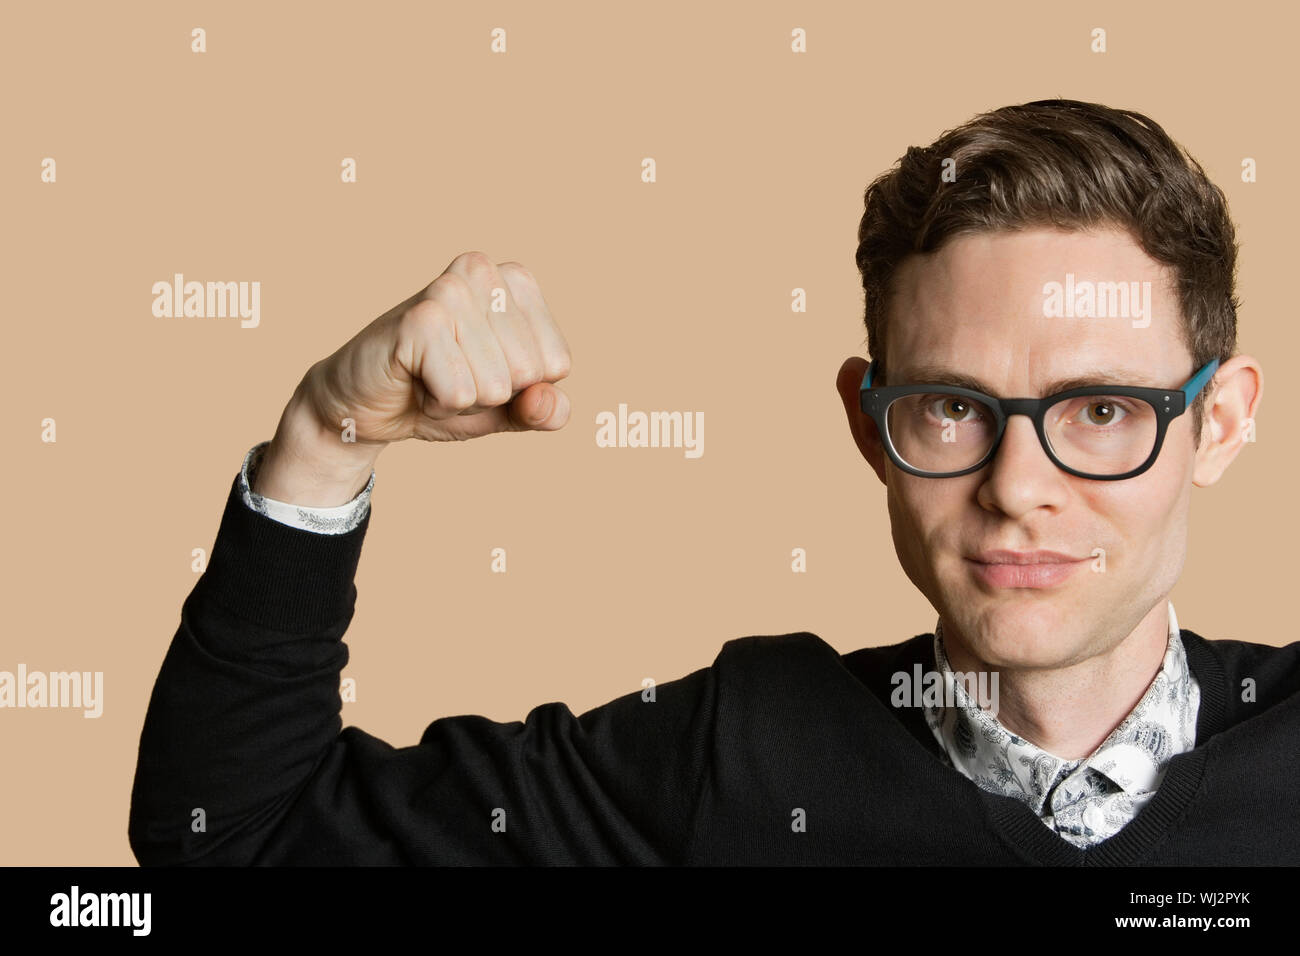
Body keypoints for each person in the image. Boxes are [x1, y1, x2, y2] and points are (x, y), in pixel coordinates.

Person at [129, 99, 1293, 866]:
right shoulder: (741, 750)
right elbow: (231, 835)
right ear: (868, 422)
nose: (1017, 486)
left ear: (1221, 422)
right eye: (951, 406)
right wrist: (326, 432)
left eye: (1101, 411)